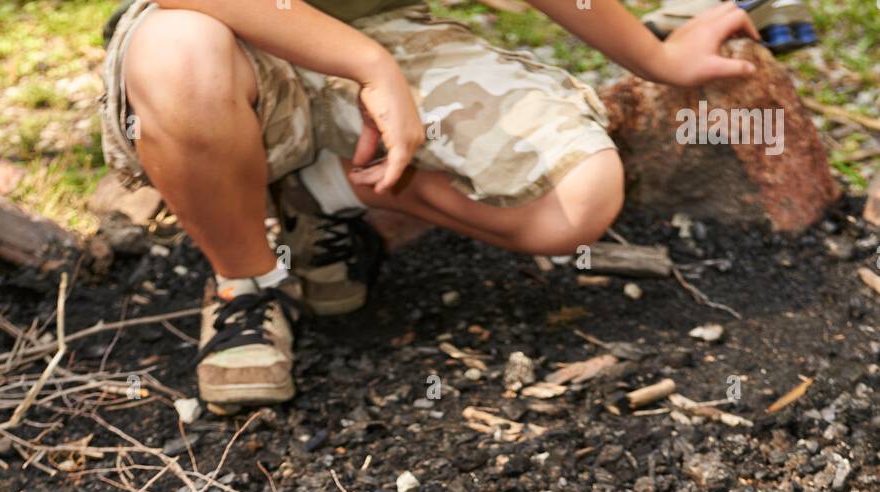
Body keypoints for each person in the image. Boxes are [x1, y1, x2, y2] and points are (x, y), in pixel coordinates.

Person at [100, 0, 760, 412]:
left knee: (578, 199)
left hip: (390, 33)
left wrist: (657, 57)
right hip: (226, 33)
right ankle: (247, 282)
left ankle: (328, 192)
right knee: (176, 53)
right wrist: (367, 67)